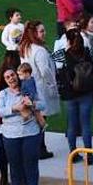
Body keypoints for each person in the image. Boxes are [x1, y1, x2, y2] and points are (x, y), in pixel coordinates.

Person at [0, 67, 42, 185]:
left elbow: (42, 103)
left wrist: (32, 104)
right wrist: (15, 108)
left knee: (31, 164)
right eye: (7, 77)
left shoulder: (29, 89)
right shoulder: (3, 94)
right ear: (5, 81)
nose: (11, 78)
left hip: (31, 133)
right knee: (14, 165)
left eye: (13, 75)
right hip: (11, 135)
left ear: (17, 75)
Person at [57, 28, 93, 162]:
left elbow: (58, 72)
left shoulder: (63, 55)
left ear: (69, 41)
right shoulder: (88, 52)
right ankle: (89, 155)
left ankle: (73, 154)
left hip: (70, 94)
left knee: (72, 125)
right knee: (86, 124)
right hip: (86, 93)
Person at [19, 21, 59, 160]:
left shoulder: (25, 47)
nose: (44, 33)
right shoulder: (39, 50)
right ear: (34, 33)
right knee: (41, 119)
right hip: (40, 88)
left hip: (29, 87)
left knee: (34, 118)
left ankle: (35, 148)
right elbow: (45, 71)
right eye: (41, 31)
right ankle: (40, 148)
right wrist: (53, 85)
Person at [0, 52, 22, 185]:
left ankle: (3, 176)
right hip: (15, 118)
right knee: (18, 149)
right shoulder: (16, 78)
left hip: (1, 118)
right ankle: (20, 177)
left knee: (3, 148)